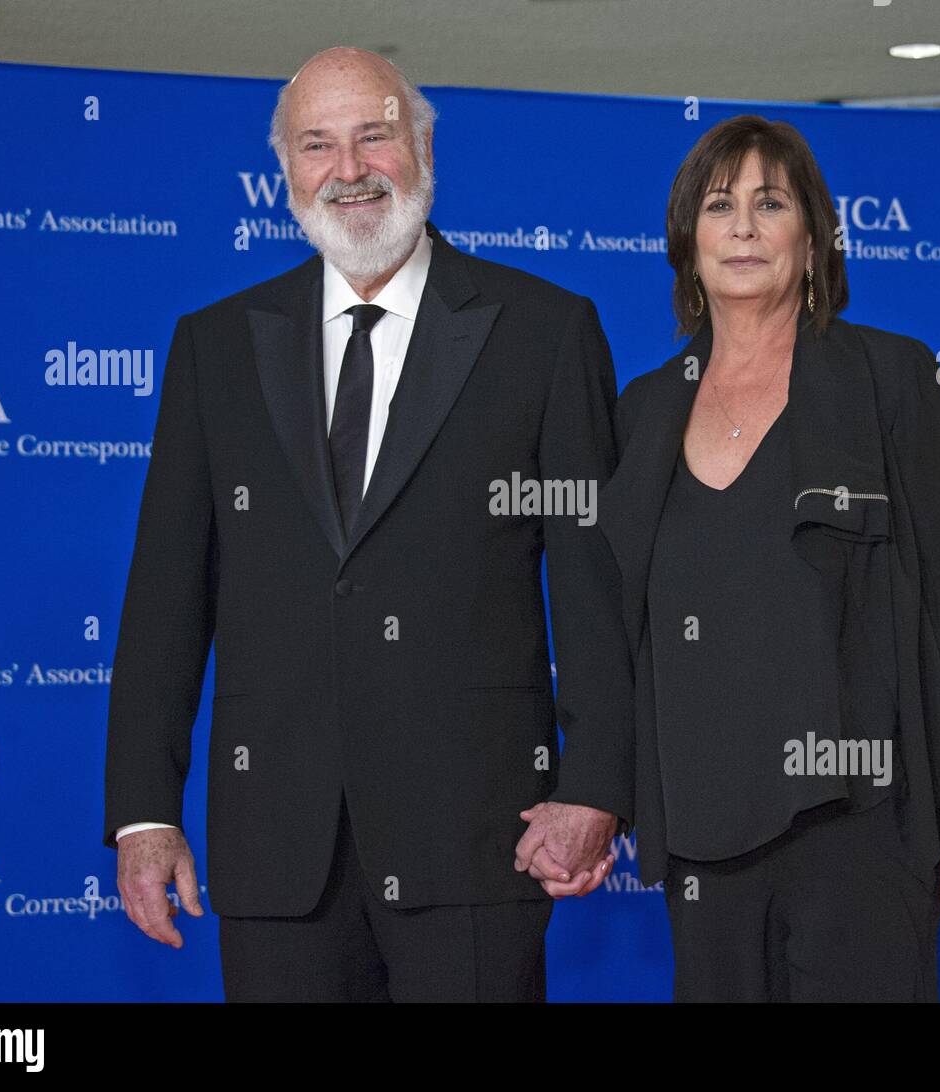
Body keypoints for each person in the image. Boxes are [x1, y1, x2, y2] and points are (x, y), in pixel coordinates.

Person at [103, 46, 631, 1002]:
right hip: (276, 849)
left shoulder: (545, 332)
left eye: (373, 136)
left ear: (422, 147)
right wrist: (144, 813)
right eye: (317, 145)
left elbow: (594, 581)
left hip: (477, 836)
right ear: (287, 174)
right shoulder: (214, 347)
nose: (348, 170)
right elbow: (165, 598)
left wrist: (594, 784)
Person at [596, 115, 940, 1002]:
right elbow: (617, 632)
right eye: (719, 206)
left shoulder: (891, 380)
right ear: (689, 243)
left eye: (769, 203)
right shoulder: (642, 413)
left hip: (859, 827)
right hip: (700, 842)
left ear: (815, 239)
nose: (742, 227)